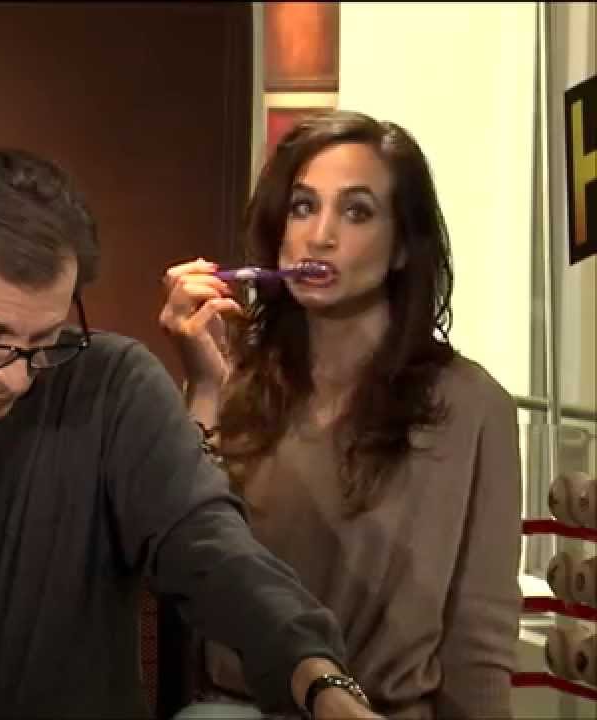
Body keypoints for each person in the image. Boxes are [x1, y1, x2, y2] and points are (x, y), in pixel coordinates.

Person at [0, 148, 382, 719]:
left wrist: (320, 680)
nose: (16, 377)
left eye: (45, 341)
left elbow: (211, 550)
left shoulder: (110, 384)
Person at [159, 111, 522, 719]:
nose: (319, 235)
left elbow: (479, 640)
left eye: (356, 212)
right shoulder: (233, 378)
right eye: (303, 207)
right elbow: (185, 560)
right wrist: (202, 389)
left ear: (403, 245)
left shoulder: (472, 406)